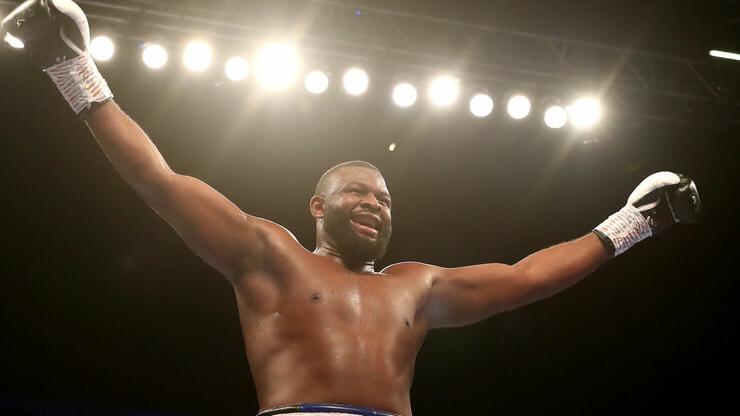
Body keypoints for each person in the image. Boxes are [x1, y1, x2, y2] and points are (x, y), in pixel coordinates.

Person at [1, 2, 702, 416]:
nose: (374, 204)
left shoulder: (416, 286)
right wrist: (71, 68)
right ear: (319, 206)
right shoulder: (268, 254)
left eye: (385, 198)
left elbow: (526, 278)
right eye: (358, 192)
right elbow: (158, 180)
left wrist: (636, 221)